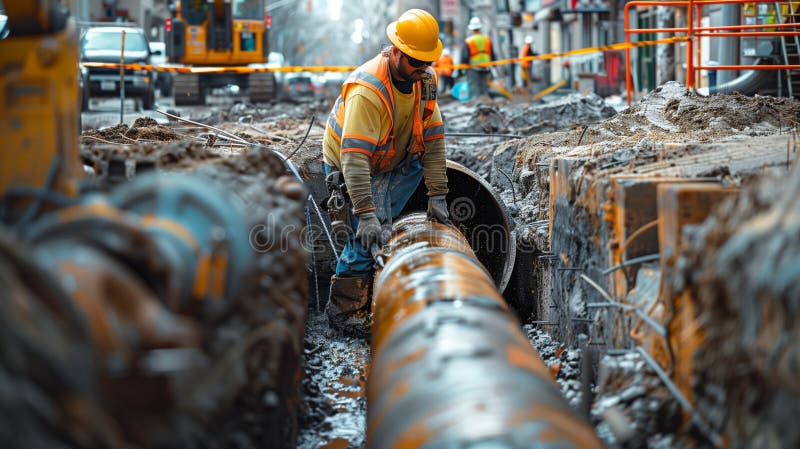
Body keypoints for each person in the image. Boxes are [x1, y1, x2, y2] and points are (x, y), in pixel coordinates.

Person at [322, 8, 450, 337]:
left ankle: (383, 220)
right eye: (413, 61)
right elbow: (354, 158)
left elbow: (433, 140)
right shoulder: (369, 91)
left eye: (426, 63)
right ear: (395, 51)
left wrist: (437, 194)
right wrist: (365, 214)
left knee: (384, 215)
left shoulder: (425, 81)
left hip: (389, 157)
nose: (420, 69)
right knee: (367, 235)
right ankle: (343, 311)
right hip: (353, 162)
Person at [457, 16, 495, 99]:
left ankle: (476, 104)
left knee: (474, 87)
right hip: (486, 67)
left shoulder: (469, 41)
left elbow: (465, 57)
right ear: (480, 28)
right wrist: (494, 66)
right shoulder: (487, 39)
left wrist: (461, 69)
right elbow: (492, 54)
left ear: (471, 29)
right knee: (484, 86)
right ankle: (485, 101)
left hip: (473, 67)